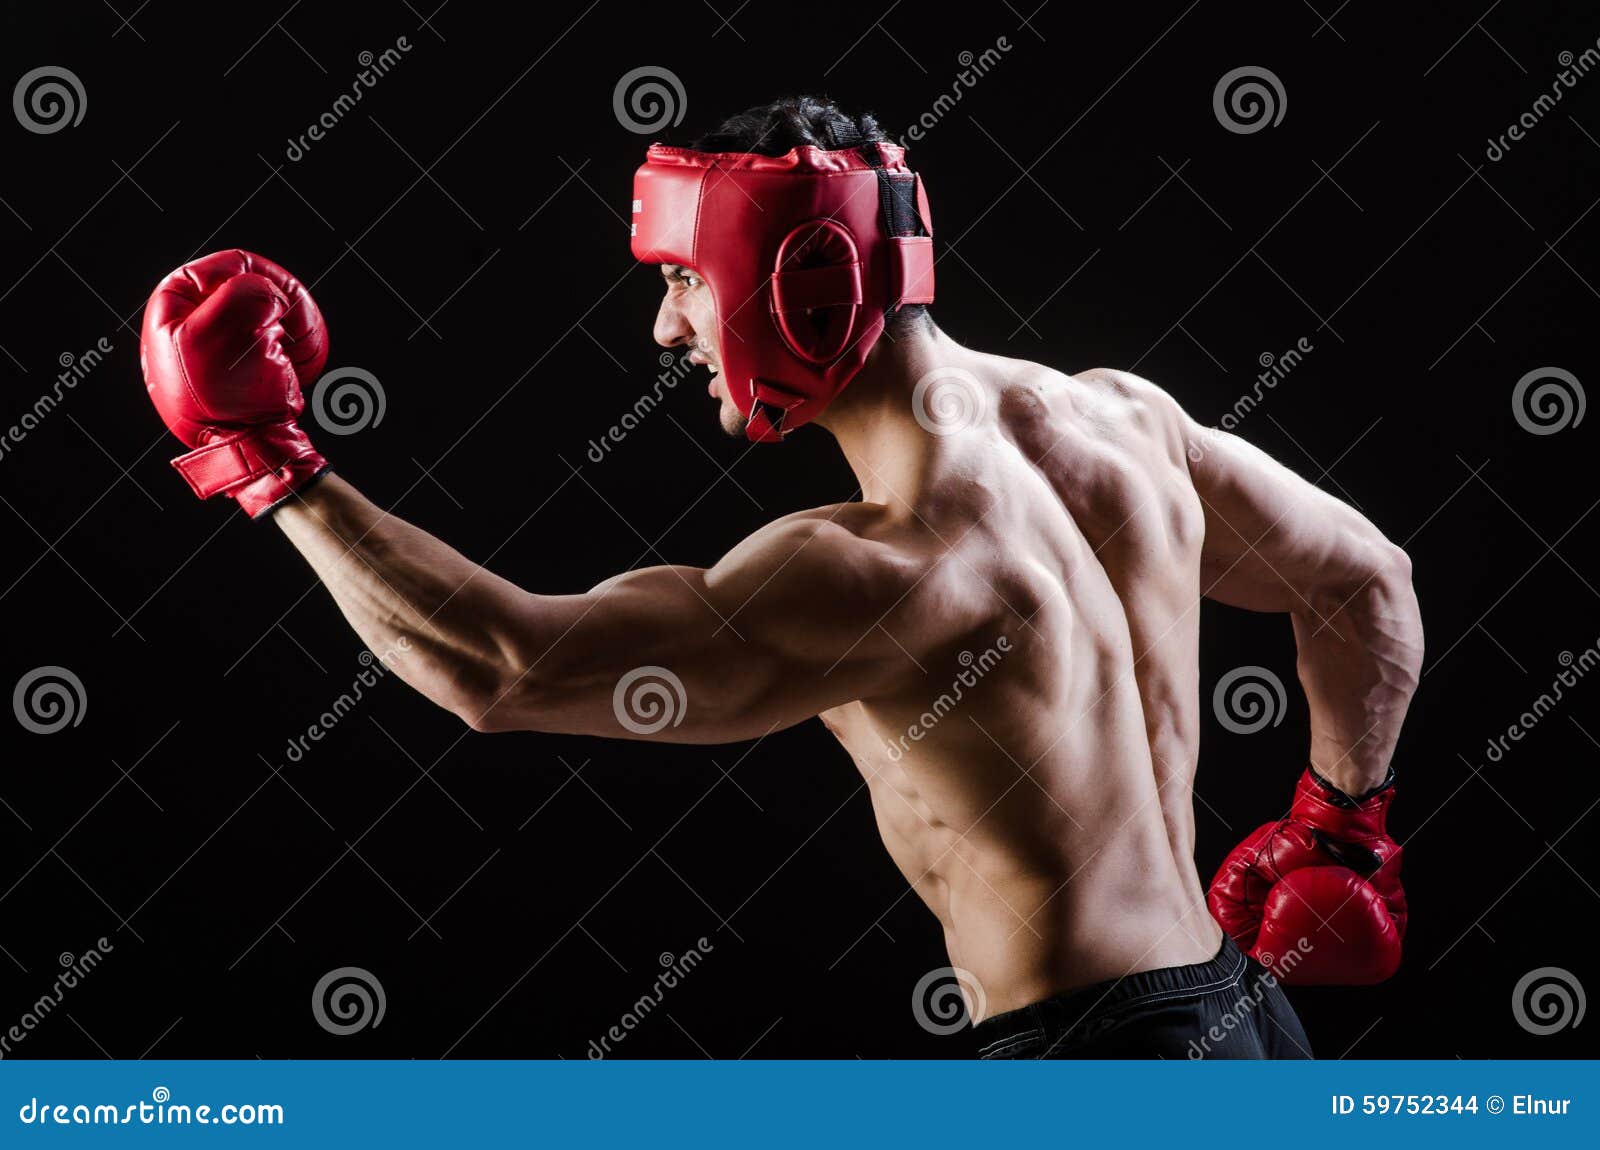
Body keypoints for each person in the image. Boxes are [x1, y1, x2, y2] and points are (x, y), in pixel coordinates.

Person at [137, 96, 1423, 1058]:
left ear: (799, 287)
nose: (665, 329)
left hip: (1093, 1068)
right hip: (1247, 1031)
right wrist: (1337, 825)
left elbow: (501, 668)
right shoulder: (1125, 422)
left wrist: (268, 462)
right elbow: (1367, 580)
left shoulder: (885, 569)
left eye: (686, 283)